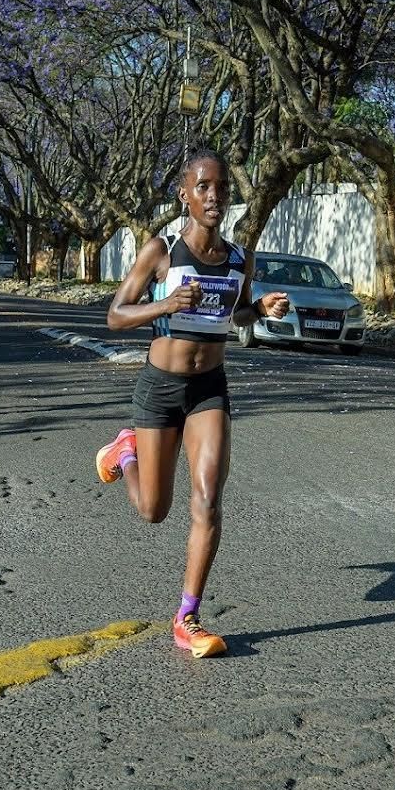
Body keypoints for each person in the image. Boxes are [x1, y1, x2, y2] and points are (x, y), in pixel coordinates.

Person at [94, 148, 290, 658]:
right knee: (153, 511)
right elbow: (116, 316)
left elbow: (235, 315)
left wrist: (260, 309)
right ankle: (125, 452)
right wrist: (164, 303)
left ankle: (187, 617)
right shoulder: (161, 250)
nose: (214, 196)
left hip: (210, 389)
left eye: (221, 188)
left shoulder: (240, 259)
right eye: (203, 187)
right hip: (160, 388)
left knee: (207, 499)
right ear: (185, 194)